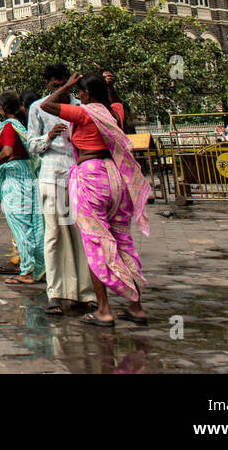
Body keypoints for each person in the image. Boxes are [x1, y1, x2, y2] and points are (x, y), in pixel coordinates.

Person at [40, 72, 151, 328]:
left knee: (96, 245)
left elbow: (47, 105)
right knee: (123, 242)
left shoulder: (85, 113)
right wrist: (108, 88)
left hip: (92, 178)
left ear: (87, 94)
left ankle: (104, 310)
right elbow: (115, 102)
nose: (77, 96)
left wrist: (65, 84)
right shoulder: (114, 113)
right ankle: (136, 308)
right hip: (116, 178)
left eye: (80, 92)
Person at [27, 64, 96, 315]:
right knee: (54, 235)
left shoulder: (81, 106)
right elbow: (32, 145)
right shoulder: (39, 108)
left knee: (81, 235)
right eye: (56, 85)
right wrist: (48, 138)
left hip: (78, 175)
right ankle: (55, 293)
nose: (61, 89)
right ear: (48, 85)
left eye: (63, 83)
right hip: (51, 175)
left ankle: (86, 293)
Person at [0, 91, 45, 286]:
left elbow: (7, 151)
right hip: (27, 175)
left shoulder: (8, 127)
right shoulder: (22, 125)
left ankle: (27, 271)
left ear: (3, 109)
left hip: (14, 178)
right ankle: (40, 269)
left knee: (20, 224)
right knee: (33, 223)